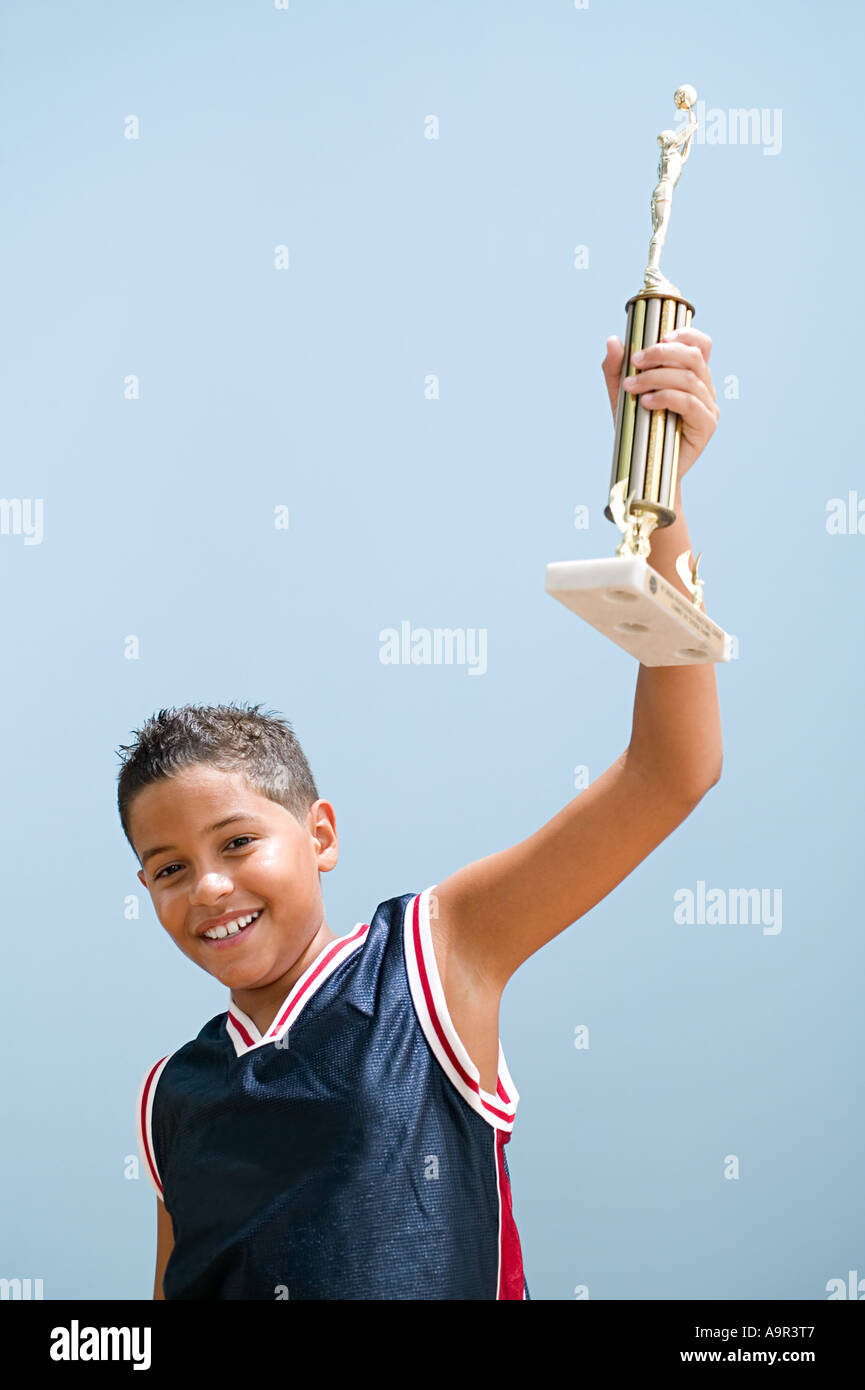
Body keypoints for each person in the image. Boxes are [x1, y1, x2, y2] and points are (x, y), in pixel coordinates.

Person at [124, 326, 722, 1299]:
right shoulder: (170, 1101)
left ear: (319, 834)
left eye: (236, 841)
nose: (210, 885)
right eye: (168, 866)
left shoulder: (433, 960)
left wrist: (659, 501)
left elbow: (673, 771)